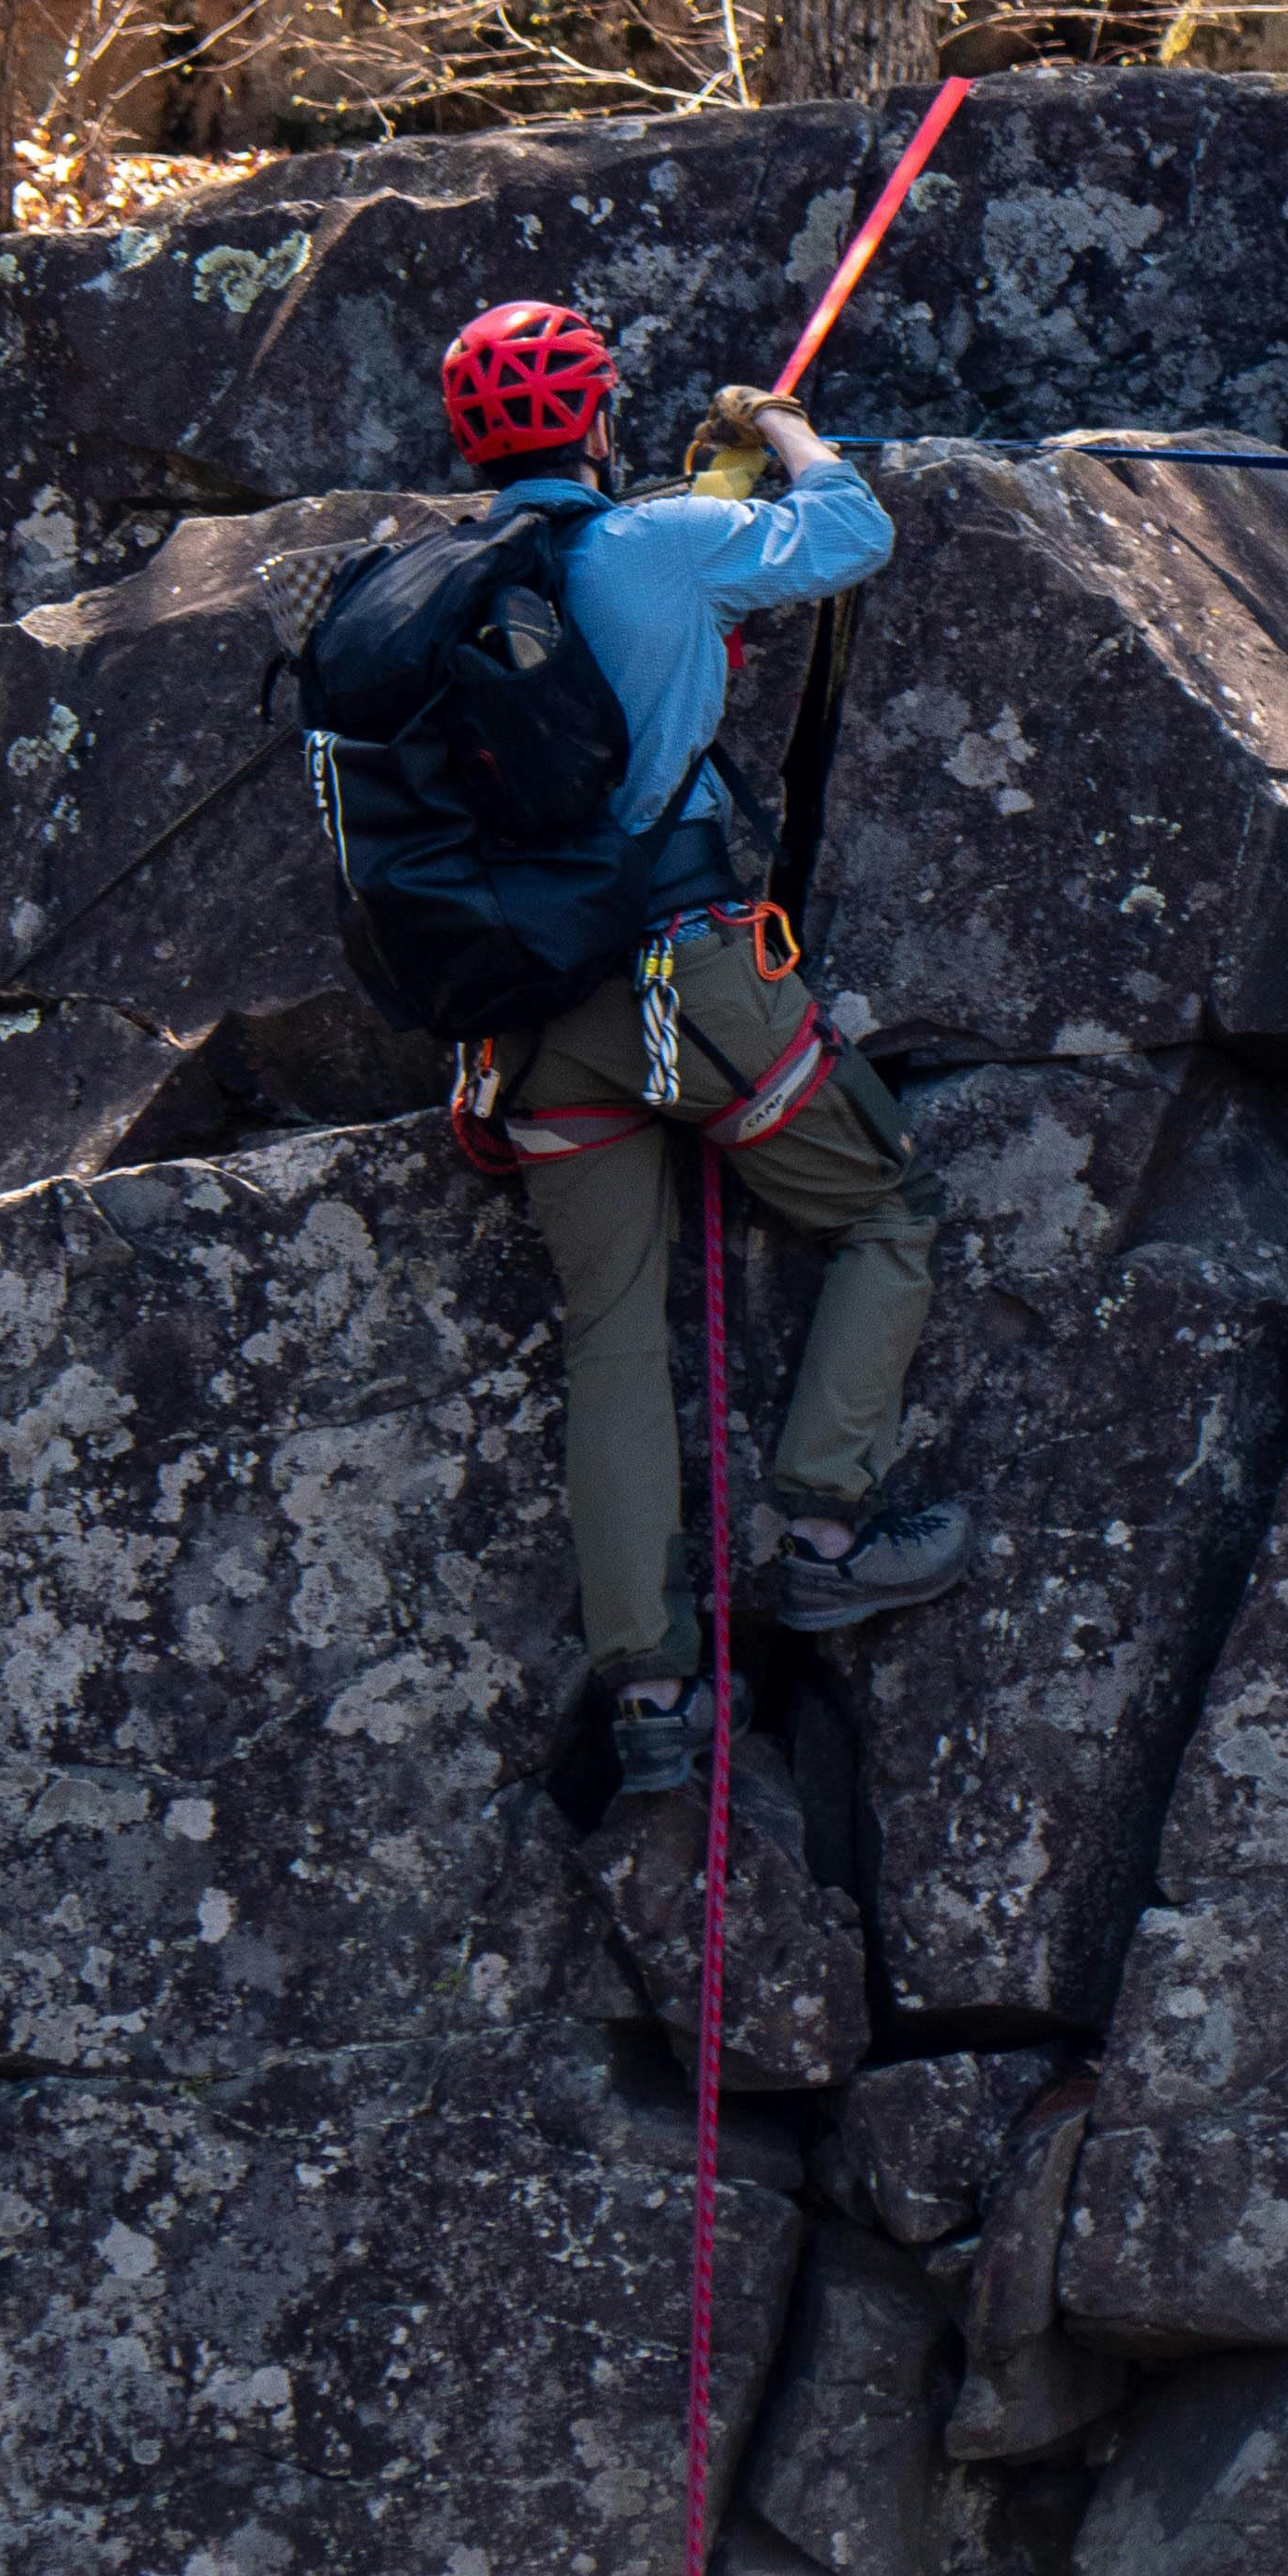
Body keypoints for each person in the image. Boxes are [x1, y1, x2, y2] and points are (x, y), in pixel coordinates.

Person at [435, 297, 970, 1795]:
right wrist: (778, 431)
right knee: (884, 1209)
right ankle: (826, 1531)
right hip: (688, 981)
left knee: (614, 1341)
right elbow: (847, 530)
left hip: (523, 1025)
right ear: (597, 418)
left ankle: (654, 1701)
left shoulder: (433, 590)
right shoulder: (654, 543)